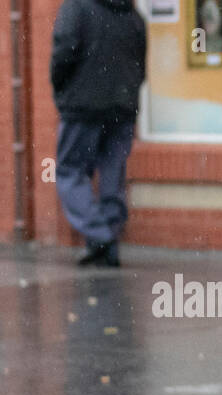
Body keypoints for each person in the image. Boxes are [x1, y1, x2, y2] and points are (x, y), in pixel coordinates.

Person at [49, 0, 147, 268]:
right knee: (112, 170)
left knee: (70, 171)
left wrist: (61, 90)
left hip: (83, 106)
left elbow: (63, 52)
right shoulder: (133, 15)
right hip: (122, 107)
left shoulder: (76, 7)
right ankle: (108, 240)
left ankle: (99, 235)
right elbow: (141, 66)